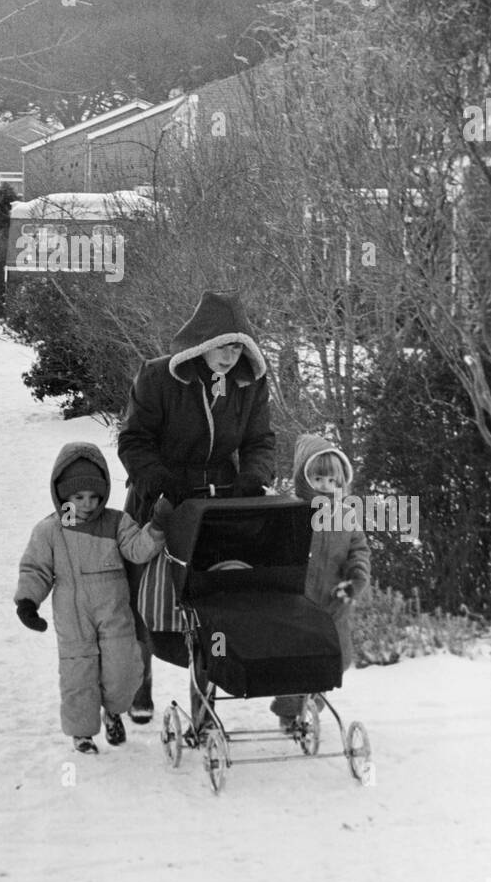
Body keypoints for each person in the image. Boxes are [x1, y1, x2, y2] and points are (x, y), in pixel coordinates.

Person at [117, 290, 276, 722]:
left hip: (218, 503)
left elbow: (260, 441)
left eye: (240, 346)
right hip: (160, 500)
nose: (232, 355)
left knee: (210, 602)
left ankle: (203, 708)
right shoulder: (157, 378)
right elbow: (133, 440)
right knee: (140, 599)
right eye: (225, 345)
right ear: (203, 342)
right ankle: (139, 683)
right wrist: (157, 482)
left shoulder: (249, 383)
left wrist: (252, 479)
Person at [14, 442, 169, 754]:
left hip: (114, 614)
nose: (87, 504)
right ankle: (82, 734)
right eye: (78, 497)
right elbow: (35, 569)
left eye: (94, 497)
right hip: (74, 620)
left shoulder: (116, 523)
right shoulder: (50, 530)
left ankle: (114, 711)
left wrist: (156, 528)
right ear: (62, 494)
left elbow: (137, 550)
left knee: (123, 671)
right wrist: (28, 603)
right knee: (79, 676)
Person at [269, 433, 371, 731]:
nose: (327, 487)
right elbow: (275, 550)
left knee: (332, 661)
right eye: (319, 479)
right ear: (304, 478)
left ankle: (313, 701)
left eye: (333, 481)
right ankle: (289, 712)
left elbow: (358, 551)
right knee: (293, 662)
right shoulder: (292, 513)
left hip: (333, 603)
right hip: (297, 602)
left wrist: (356, 578)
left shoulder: (347, 516)